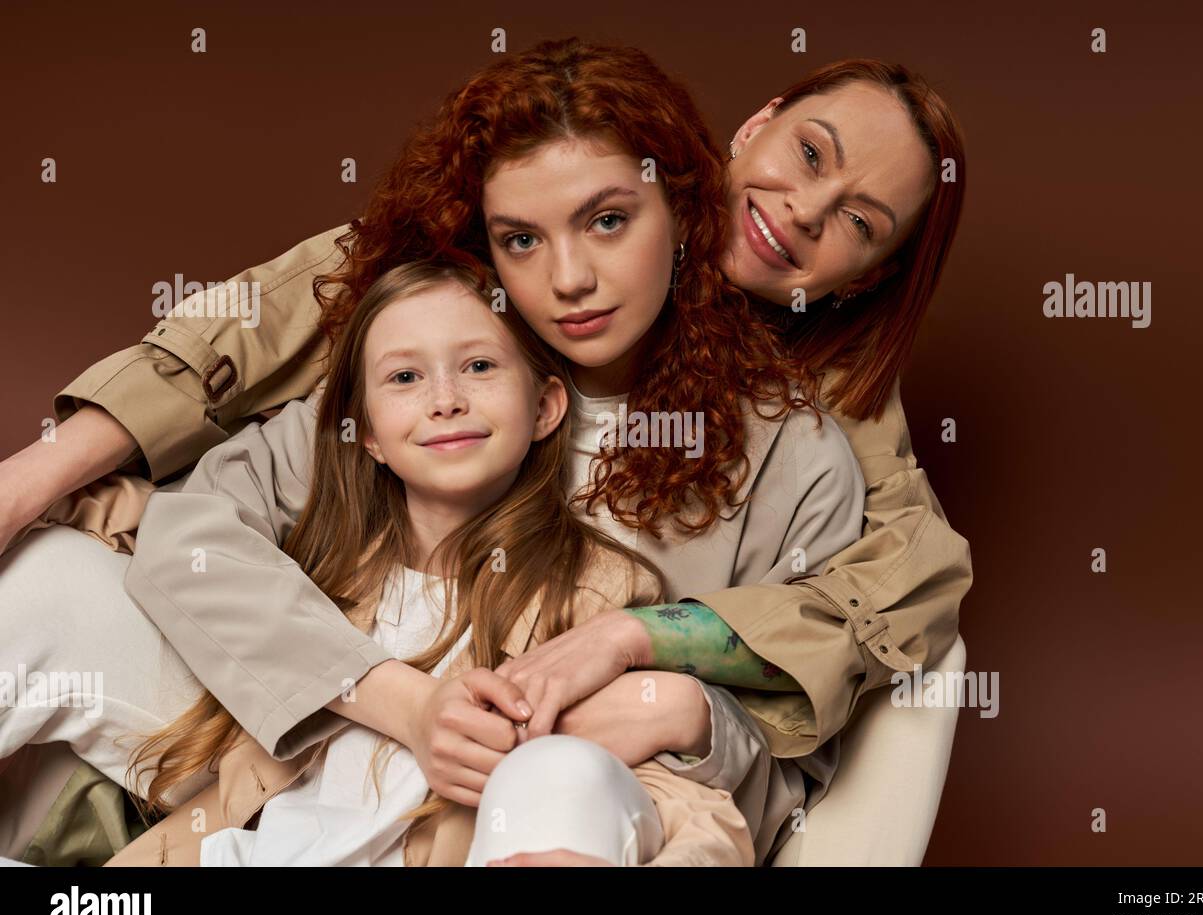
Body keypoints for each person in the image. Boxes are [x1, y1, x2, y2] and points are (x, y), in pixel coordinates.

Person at [0, 38, 969, 864]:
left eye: (608, 221)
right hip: (307, 746)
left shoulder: (806, 449)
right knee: (47, 581)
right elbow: (214, 487)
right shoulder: (444, 349)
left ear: (674, 207)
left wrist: (672, 691)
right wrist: (398, 699)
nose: (571, 276)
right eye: (523, 239)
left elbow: (851, 665)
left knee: (560, 778)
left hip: (536, 791)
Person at [105, 260, 754, 867]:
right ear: (371, 435)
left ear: (546, 409)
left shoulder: (593, 591)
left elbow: (663, 798)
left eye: (477, 366)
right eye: (405, 378)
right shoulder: (322, 566)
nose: (445, 400)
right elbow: (157, 524)